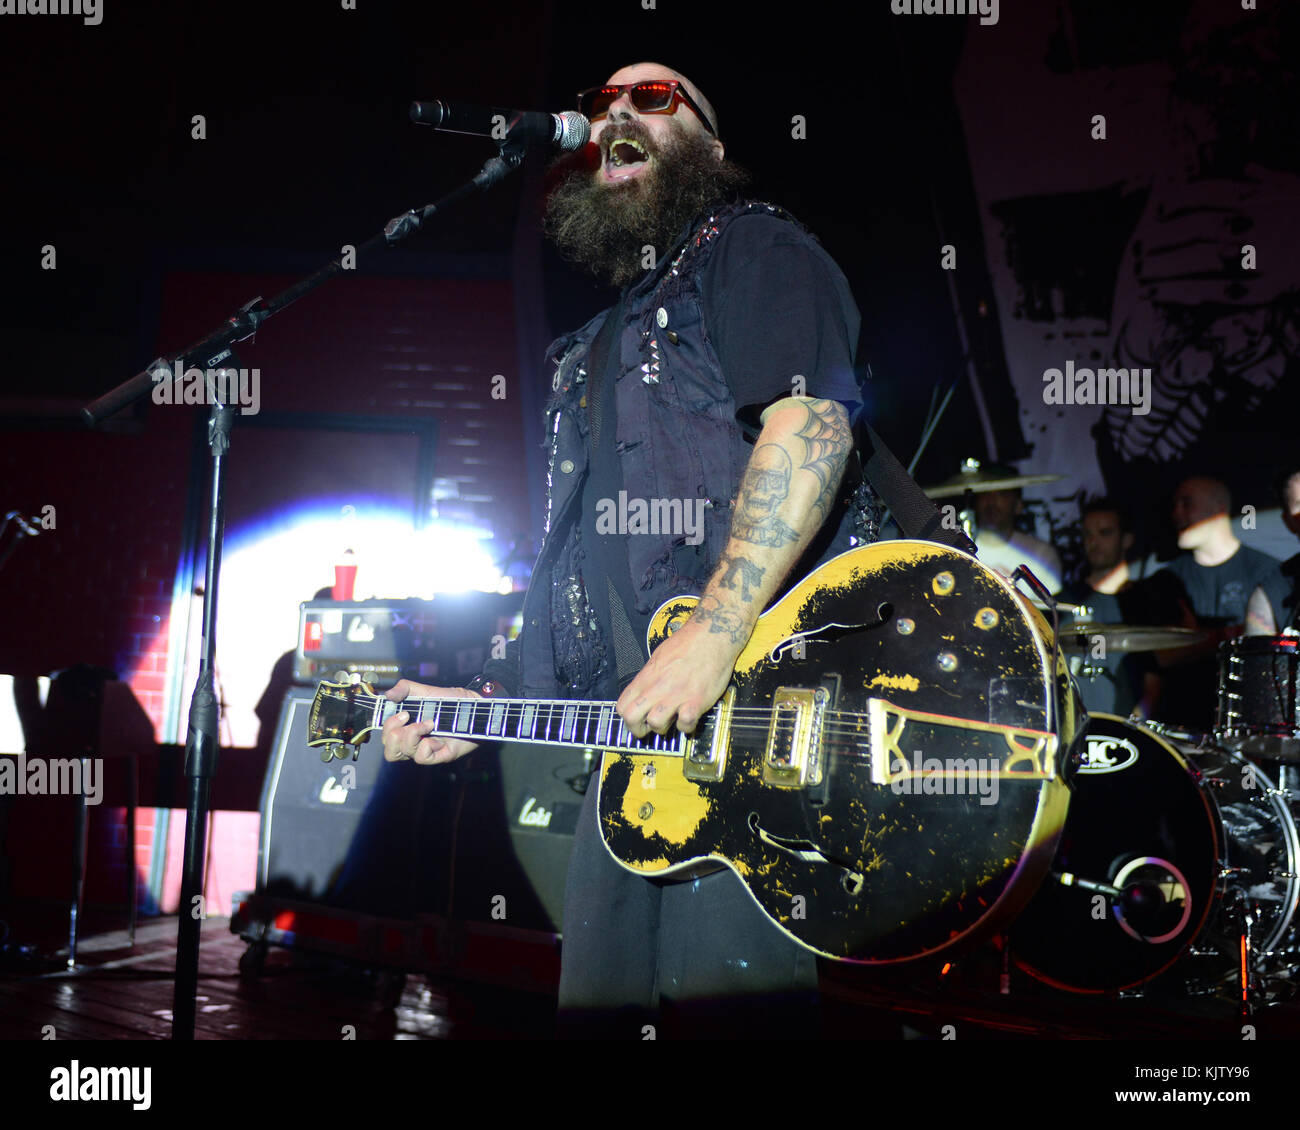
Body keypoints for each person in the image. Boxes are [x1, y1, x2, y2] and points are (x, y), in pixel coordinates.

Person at [378, 61, 874, 1039]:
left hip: (763, 732)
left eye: (655, 98)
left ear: (713, 148)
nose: (616, 112)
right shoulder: (587, 348)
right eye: (604, 102)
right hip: (633, 762)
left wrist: (718, 628)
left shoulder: (755, 250)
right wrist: (489, 701)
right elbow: (577, 574)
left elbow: (812, 421)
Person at [1154, 475, 1289, 728]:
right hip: (1180, 725)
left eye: (1187, 503)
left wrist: (1198, 638)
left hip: (1245, 722)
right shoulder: (1166, 580)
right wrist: (1233, 633)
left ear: (1219, 508)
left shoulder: (1269, 573)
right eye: (1174, 505)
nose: (1176, 513)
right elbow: (1164, 655)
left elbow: (1275, 648)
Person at [1058, 499, 1165, 719]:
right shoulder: (1061, 603)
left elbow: (1155, 681)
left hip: (1127, 733)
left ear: (1127, 540)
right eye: (1088, 534)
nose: (1093, 541)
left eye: (1104, 533)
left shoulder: (1146, 601)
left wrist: (1137, 726)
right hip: (1072, 727)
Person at [971, 472, 1063, 594]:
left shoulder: (1041, 554)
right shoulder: (958, 549)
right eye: (985, 493)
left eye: (1001, 494)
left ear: (1018, 506)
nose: (991, 501)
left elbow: (1047, 611)